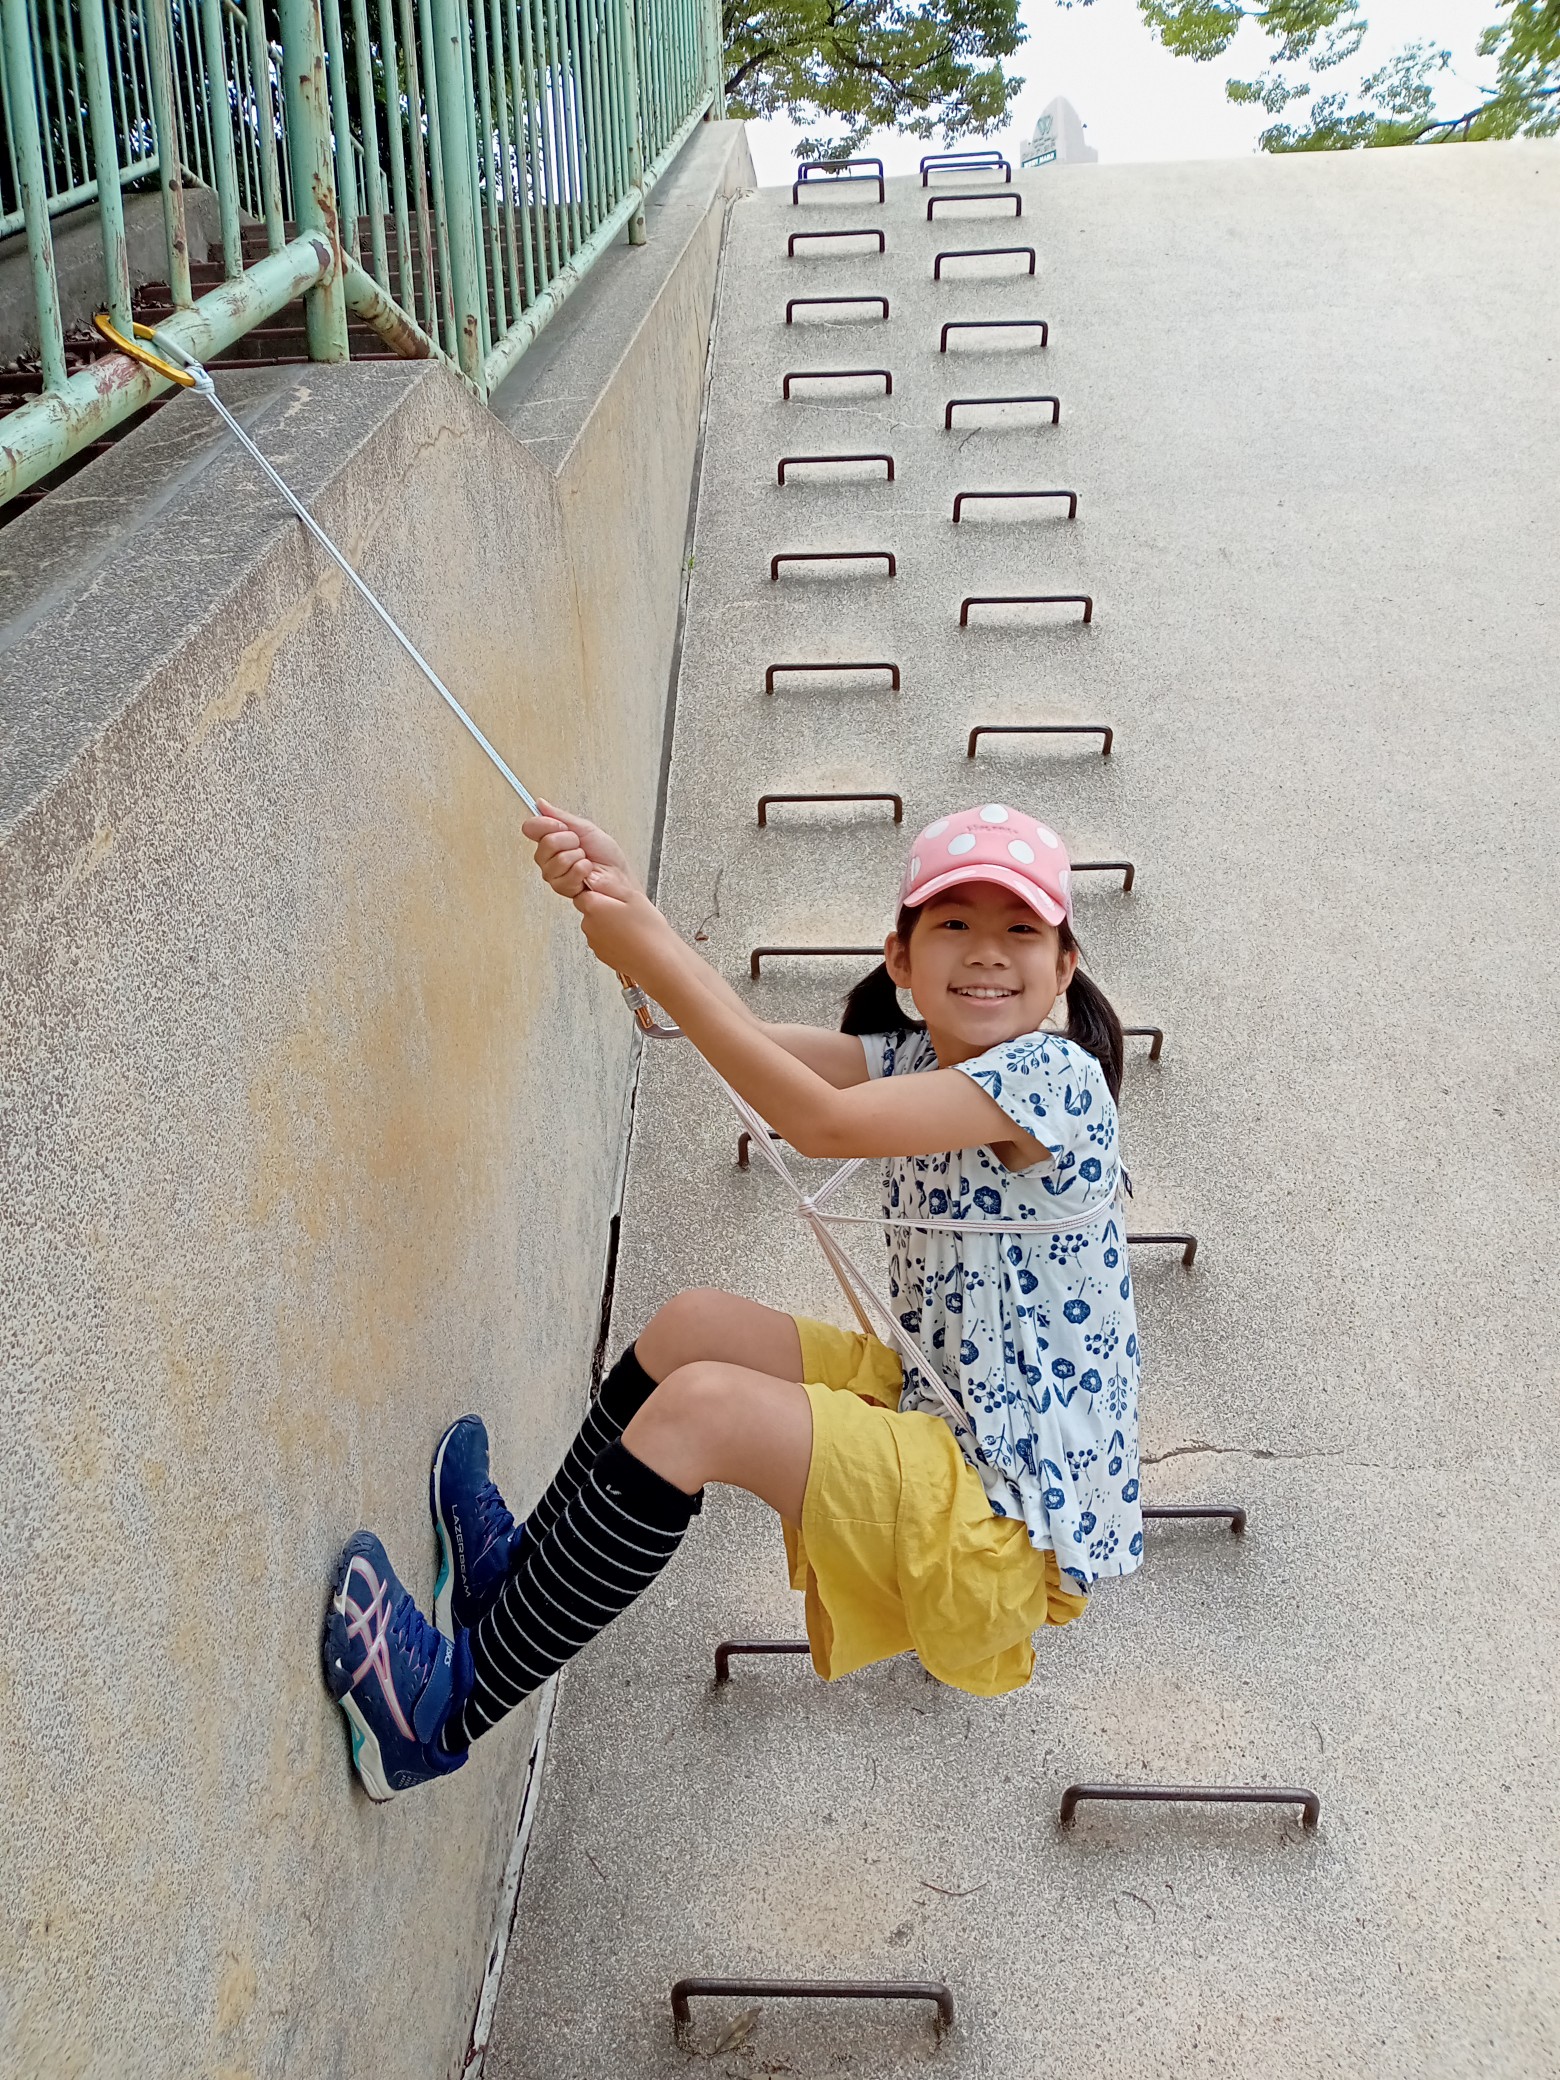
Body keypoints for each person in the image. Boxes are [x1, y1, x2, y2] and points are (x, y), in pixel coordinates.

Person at [323, 800, 1142, 1799]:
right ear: (902, 958)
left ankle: (442, 1712)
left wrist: (653, 949)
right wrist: (625, 903)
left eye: (1021, 931)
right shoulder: (919, 1058)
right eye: (954, 926)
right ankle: (511, 1581)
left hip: (999, 1526)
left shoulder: (1056, 1080)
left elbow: (818, 1121)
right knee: (693, 1330)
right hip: (944, 1412)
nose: (987, 954)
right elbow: (712, 1027)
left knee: (701, 1411)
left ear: (1064, 967)